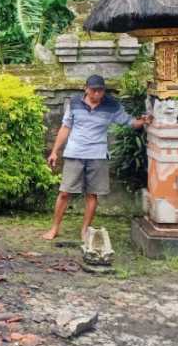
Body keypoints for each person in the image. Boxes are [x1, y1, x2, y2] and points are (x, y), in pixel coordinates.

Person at [43, 74, 150, 241]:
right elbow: (65, 128)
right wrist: (54, 151)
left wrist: (143, 121)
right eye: (94, 91)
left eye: (101, 91)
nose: (97, 95)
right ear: (86, 89)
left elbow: (129, 122)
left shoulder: (111, 105)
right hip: (74, 153)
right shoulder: (75, 103)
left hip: (97, 155)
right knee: (64, 193)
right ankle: (55, 228)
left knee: (92, 195)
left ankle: (85, 230)